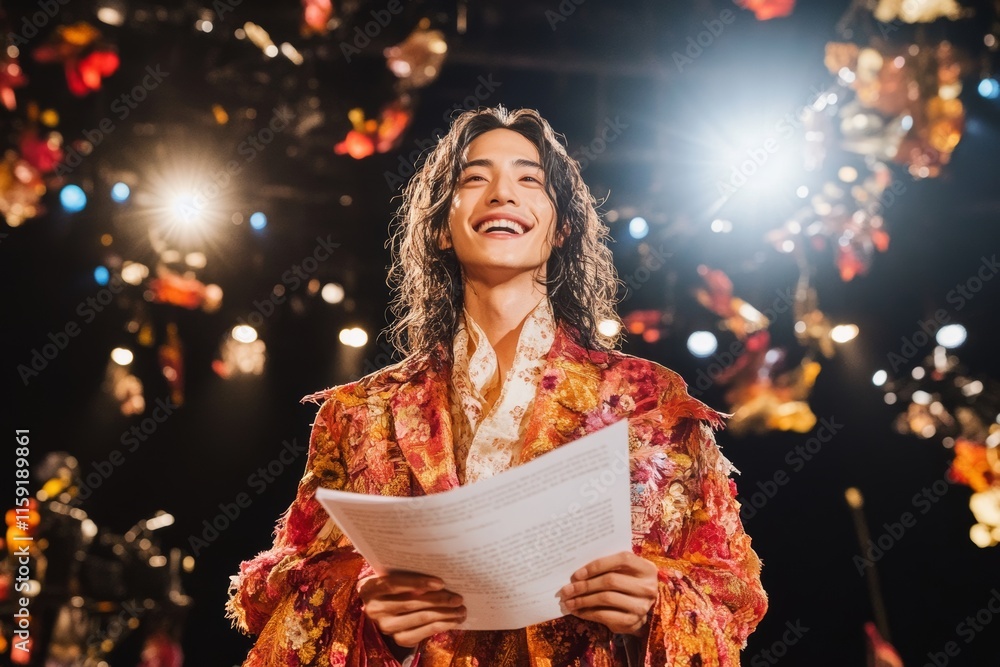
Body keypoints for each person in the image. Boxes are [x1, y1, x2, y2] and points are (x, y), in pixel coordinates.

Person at [226, 106, 767, 666]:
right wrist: (366, 612)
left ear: (562, 227)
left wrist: (656, 603)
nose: (502, 193)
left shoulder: (646, 400)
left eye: (529, 179)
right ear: (441, 227)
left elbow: (733, 594)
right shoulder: (361, 412)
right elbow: (278, 594)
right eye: (474, 178)